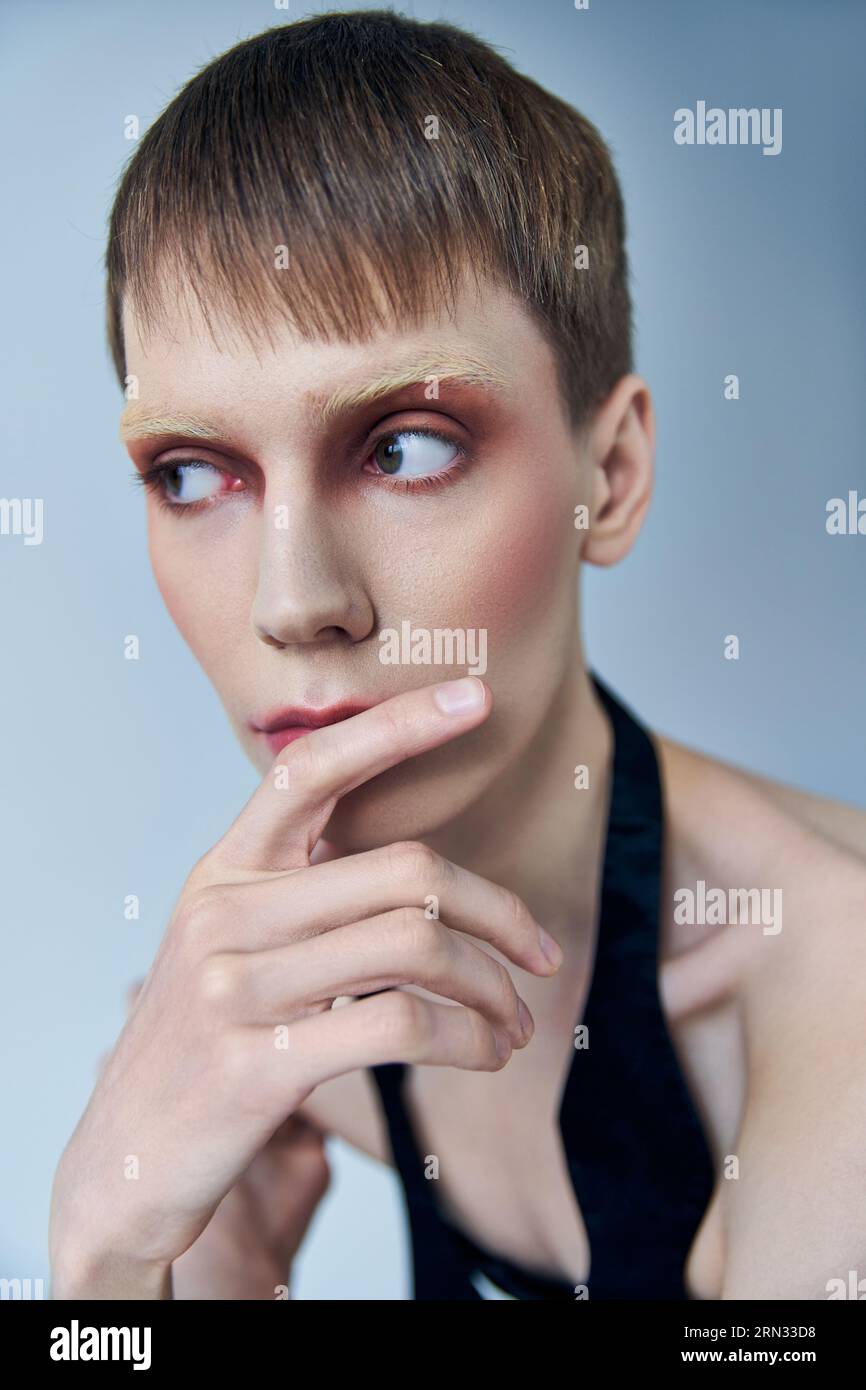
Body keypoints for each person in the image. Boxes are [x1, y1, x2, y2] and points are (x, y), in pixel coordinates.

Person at [49, 10, 866, 1301]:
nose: (292, 599)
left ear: (612, 470)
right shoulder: (246, 1014)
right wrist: (111, 1264)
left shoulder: (837, 1007)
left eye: (405, 445)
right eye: (192, 471)